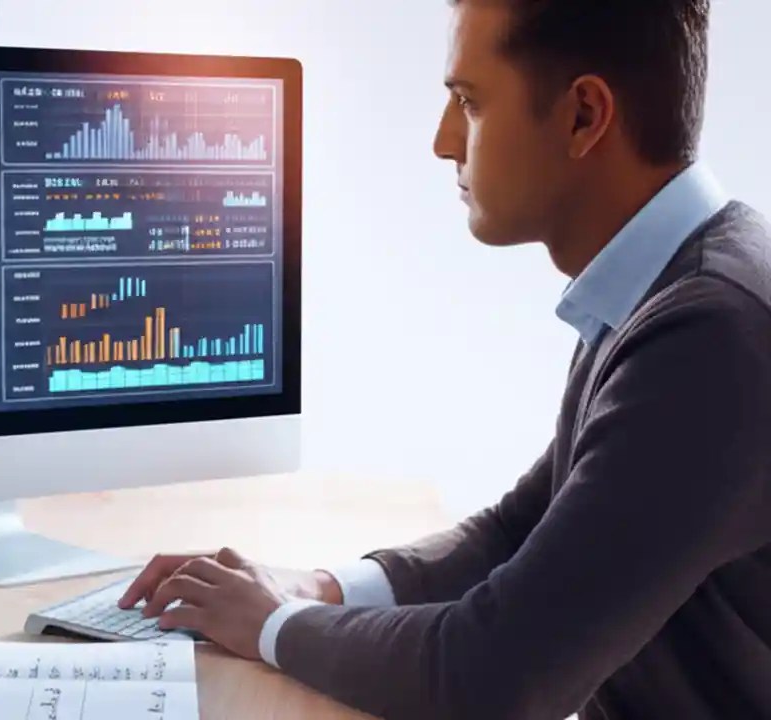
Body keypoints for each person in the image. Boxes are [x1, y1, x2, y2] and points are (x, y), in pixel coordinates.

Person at [117, 1, 771, 718]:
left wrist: (270, 626)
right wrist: (314, 588)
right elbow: (519, 530)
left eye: (468, 101)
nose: (441, 141)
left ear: (584, 115)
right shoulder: (675, 286)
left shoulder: (711, 336)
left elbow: (491, 674)